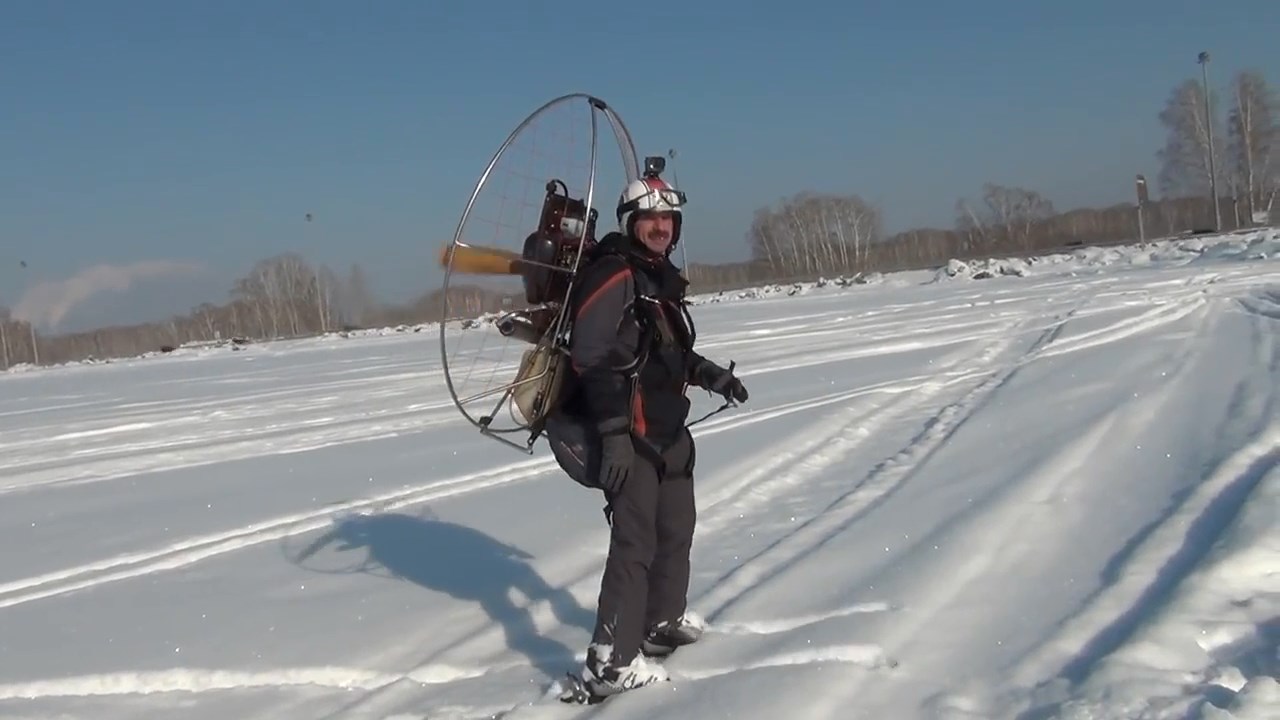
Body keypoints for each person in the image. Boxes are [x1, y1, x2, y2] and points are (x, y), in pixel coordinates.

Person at [543, 164, 750, 697]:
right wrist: (613, 433)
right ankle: (609, 662)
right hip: (628, 434)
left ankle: (660, 622)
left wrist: (709, 374)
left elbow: (665, 350)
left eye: (669, 218)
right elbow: (592, 359)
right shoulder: (614, 274)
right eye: (651, 218)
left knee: (676, 528)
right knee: (634, 543)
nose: (661, 226)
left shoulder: (657, 278)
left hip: (667, 429)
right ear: (630, 221)